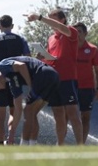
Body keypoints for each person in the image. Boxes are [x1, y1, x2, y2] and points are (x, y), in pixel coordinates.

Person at [25, 10, 84, 145]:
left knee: (73, 113)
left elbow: (62, 29)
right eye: (49, 19)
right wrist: (42, 58)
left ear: (63, 20)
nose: (50, 22)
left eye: (53, 19)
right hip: (54, 80)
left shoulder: (71, 31)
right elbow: (51, 58)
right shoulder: (51, 38)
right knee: (58, 113)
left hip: (68, 78)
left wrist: (40, 18)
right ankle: (60, 145)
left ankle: (81, 145)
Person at [0, 56, 60, 146]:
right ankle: (32, 145)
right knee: (31, 113)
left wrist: (30, 85)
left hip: (44, 73)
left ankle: (23, 145)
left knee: (28, 111)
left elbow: (22, 65)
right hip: (54, 76)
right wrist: (11, 134)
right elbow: (18, 109)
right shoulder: (12, 82)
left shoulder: (2, 66)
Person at [0, 14, 31, 145]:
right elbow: (28, 58)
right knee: (13, 113)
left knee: (0, 117)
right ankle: (10, 139)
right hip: (16, 81)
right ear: (13, 26)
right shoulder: (20, 38)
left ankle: (0, 145)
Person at [73, 22, 98, 144]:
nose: (77, 34)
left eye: (79, 31)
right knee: (68, 116)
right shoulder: (68, 48)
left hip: (87, 88)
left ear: (85, 33)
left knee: (85, 117)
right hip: (71, 86)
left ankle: (81, 144)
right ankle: (63, 143)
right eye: (75, 31)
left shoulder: (93, 49)